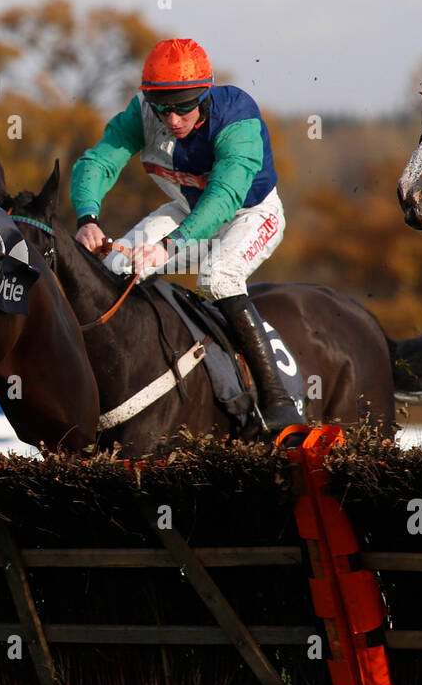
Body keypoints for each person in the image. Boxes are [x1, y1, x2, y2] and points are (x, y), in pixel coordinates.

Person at [69, 38, 305, 433]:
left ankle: (277, 399)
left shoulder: (237, 117)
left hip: (250, 214)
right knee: (116, 265)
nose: (172, 119)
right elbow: (99, 161)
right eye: (163, 108)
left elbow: (225, 198)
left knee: (218, 276)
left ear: (205, 95)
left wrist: (170, 246)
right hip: (187, 212)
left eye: (183, 106)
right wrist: (87, 217)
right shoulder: (143, 112)